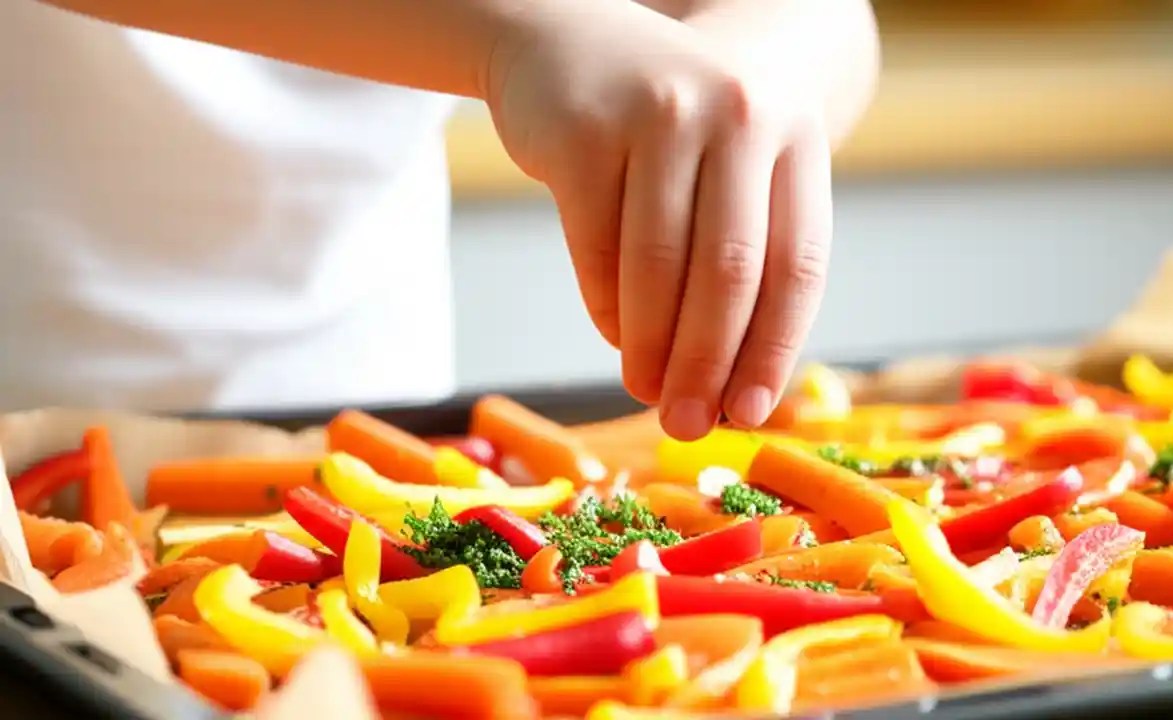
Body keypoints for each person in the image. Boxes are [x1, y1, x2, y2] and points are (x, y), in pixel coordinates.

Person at [3, 0, 879, 441]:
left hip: (380, 432)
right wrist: (512, 26)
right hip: (30, 411)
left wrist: (752, 67)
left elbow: (830, 19)